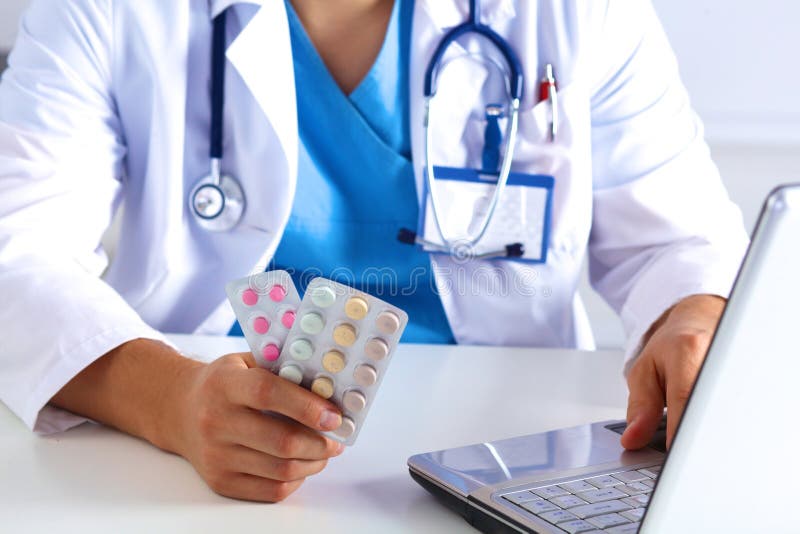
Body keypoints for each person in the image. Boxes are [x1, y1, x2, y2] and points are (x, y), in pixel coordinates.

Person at [0, 0, 748, 503]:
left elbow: (681, 241)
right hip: (202, 460)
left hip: (503, 461)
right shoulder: (108, 10)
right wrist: (171, 401)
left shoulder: (580, 10)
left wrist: (693, 317)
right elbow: (16, 247)